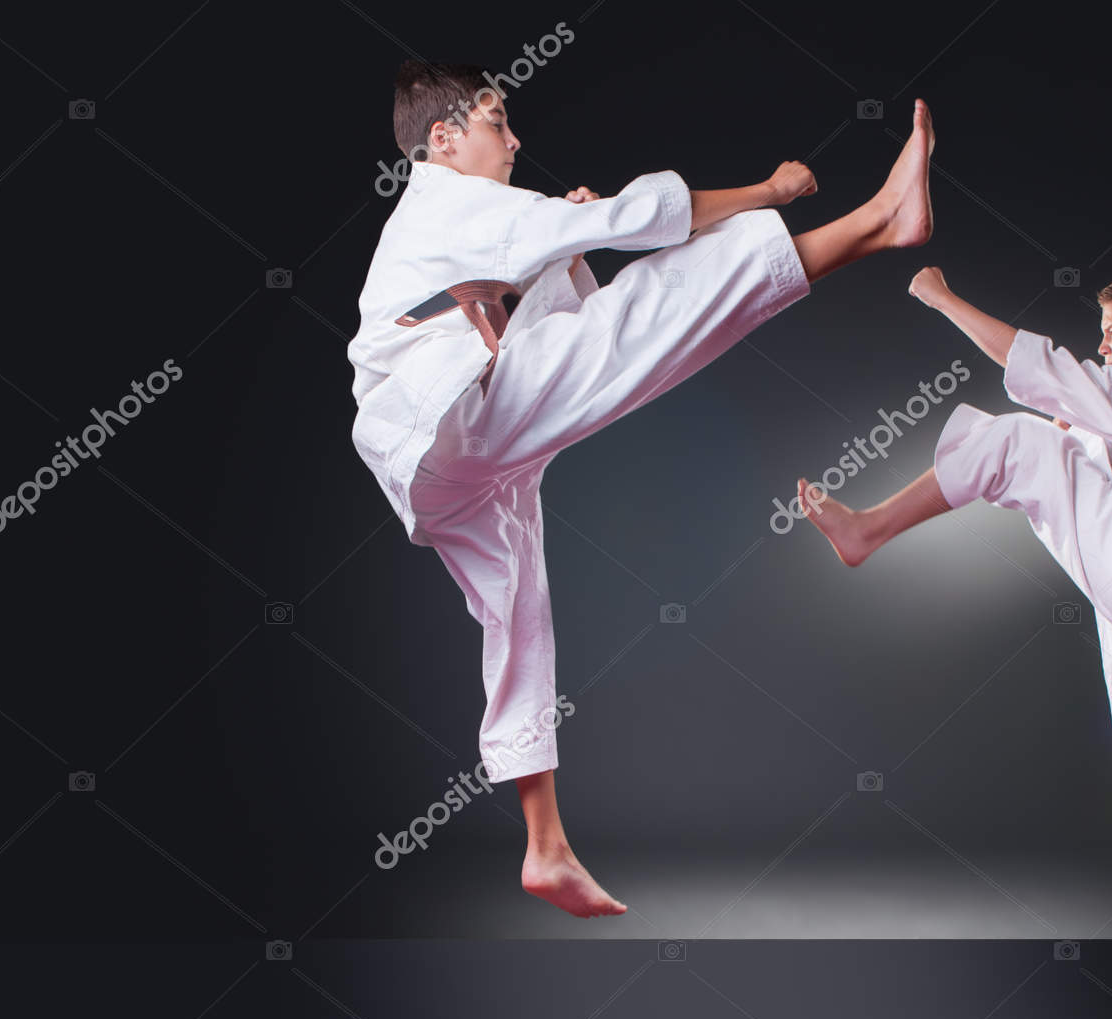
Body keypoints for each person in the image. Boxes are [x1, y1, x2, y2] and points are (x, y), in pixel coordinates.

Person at [347, 61, 935, 918]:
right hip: (445, 427)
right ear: (442, 139)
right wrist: (766, 188)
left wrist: (569, 246)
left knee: (517, 613)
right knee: (643, 315)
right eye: (497, 122)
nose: (513, 141)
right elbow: (642, 218)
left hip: (433, 461)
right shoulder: (448, 200)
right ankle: (881, 220)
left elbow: (505, 327)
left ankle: (544, 846)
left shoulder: (441, 226)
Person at [795, 264, 1112, 994]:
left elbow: (1043, 370)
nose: (1106, 348)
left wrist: (944, 297)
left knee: (1015, 440)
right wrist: (1076, 432)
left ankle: (868, 529)